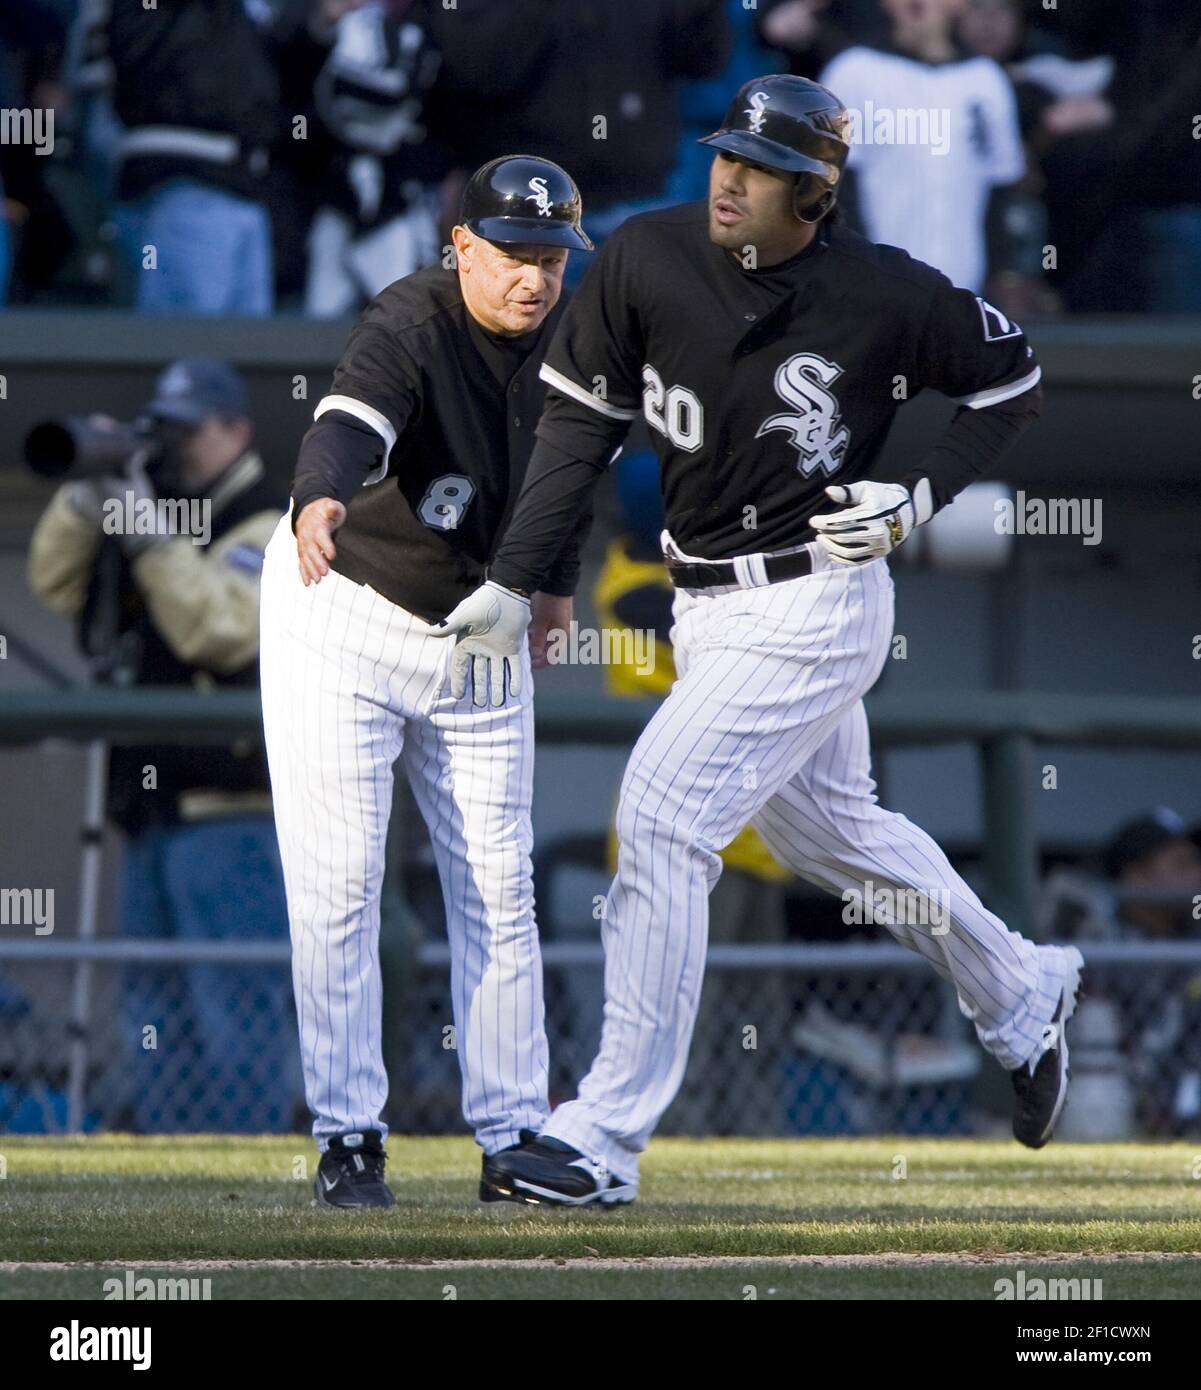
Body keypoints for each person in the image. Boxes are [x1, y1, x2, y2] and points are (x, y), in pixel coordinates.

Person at [437, 74, 1084, 1206]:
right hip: (703, 600)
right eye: (725, 154)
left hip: (817, 594)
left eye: (759, 167)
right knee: (838, 836)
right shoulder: (643, 254)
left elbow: (1013, 379)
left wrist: (918, 495)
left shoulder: (885, 292)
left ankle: (601, 1137)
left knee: (661, 815)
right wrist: (523, 577)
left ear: (815, 193)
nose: (728, 177)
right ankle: (1022, 992)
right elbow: (577, 429)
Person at [259, 155, 592, 1209]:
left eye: (549, 257)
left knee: (500, 887)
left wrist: (555, 585)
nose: (533, 278)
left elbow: (573, 466)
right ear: (460, 249)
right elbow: (353, 420)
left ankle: (512, 1136)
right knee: (342, 885)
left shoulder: (578, 339)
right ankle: (349, 1135)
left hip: (475, 626)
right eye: (511, 254)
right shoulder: (409, 317)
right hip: (343, 601)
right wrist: (317, 495)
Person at [27, 359, 298, 1132]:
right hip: (147, 805)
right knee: (151, 998)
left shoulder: (264, 516)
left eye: (191, 430)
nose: (176, 446)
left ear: (236, 430)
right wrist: (88, 502)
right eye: (165, 429)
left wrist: (148, 534)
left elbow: (220, 629)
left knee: (232, 999)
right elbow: (56, 586)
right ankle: (171, 1154)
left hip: (229, 806)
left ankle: (244, 1158)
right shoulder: (162, 504)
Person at [818, 0, 1025, 292]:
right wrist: (861, 269)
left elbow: (999, 188)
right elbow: (836, 185)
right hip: (875, 286)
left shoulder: (985, 78)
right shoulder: (852, 71)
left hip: (964, 286)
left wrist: (1001, 273)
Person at [103, 0, 280, 313]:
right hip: (180, 184)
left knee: (251, 355)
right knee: (184, 351)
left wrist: (320, 23)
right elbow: (138, 51)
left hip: (245, 184)